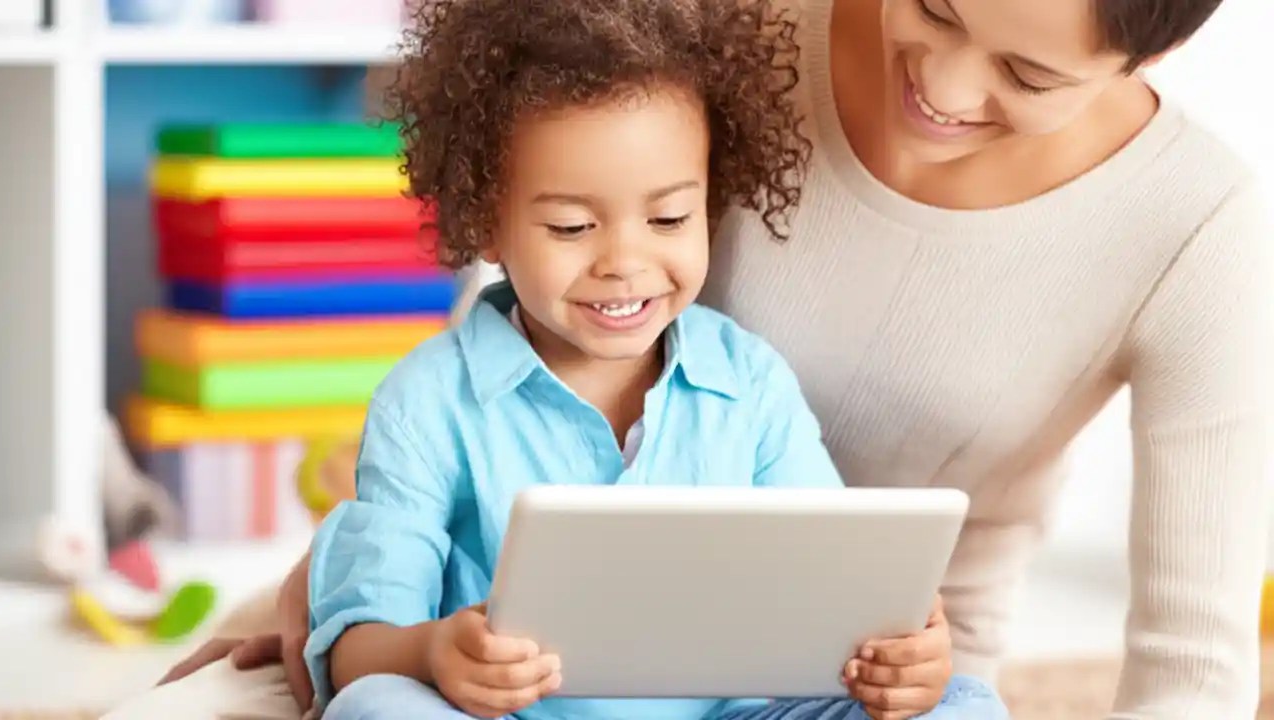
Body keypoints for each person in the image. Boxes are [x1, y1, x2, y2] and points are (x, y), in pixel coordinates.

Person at [112, 0, 1273, 717]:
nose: (947, 85)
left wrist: (909, 653)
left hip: (806, 660)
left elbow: (1189, 667)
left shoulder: (1198, 224)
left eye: (1027, 76)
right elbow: (513, 302)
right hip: (489, 650)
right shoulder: (722, 38)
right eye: (931, 4)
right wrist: (379, 628)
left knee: (964, 704)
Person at [304, 0, 1006, 718]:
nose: (626, 263)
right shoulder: (427, 399)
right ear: (486, 222)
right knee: (377, 708)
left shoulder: (750, 381)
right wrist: (430, 651)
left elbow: (842, 601)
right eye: (572, 226)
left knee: (964, 705)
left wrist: (905, 653)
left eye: (669, 218)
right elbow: (354, 648)